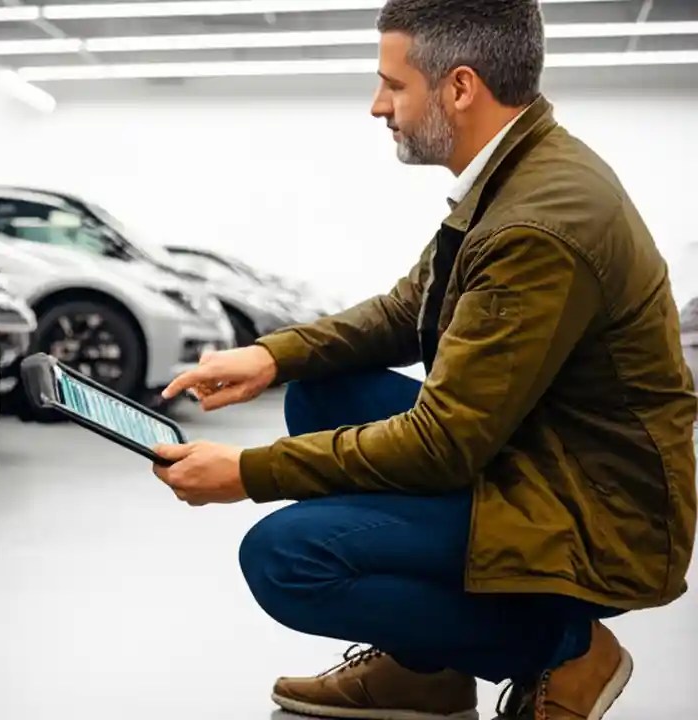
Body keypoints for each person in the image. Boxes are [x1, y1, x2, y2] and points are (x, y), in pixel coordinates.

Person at [150, 1, 697, 718]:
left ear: (460, 87)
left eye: (394, 85)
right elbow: (409, 311)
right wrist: (269, 356)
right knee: (320, 393)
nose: (379, 106)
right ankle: (426, 671)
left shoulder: (538, 223)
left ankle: (565, 649)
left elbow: (443, 445)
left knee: (286, 560)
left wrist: (249, 473)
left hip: (594, 510)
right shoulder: (514, 174)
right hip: (540, 455)